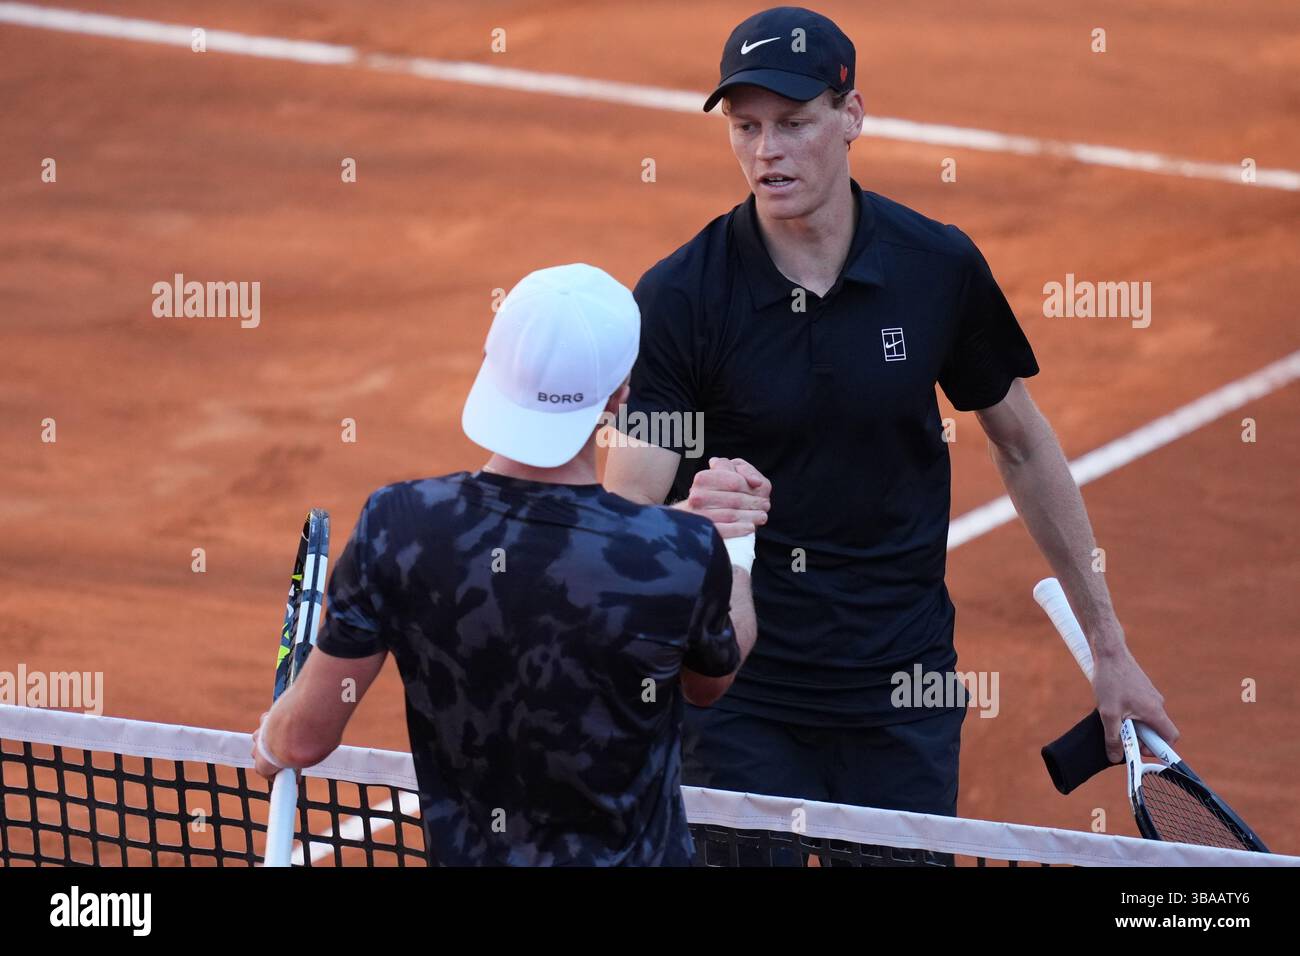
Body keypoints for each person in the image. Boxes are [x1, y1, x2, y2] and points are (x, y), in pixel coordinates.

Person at [604, 7, 1178, 821]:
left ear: (852, 117)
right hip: (739, 694)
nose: (767, 151)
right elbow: (626, 503)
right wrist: (679, 521)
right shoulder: (682, 296)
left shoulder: (935, 267)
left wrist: (1110, 649)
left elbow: (1021, 444)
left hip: (901, 688)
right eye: (747, 126)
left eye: (795, 123)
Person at [252, 263, 757, 865]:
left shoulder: (400, 524)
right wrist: (734, 545)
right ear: (620, 398)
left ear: (491, 368)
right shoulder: (676, 553)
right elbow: (709, 683)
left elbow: (303, 738)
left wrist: (273, 741)